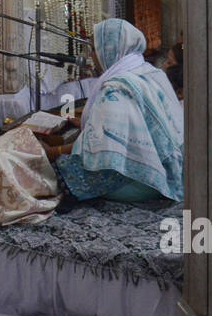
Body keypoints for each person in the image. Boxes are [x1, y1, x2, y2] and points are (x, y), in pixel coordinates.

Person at [43, 18, 183, 203]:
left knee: (60, 170)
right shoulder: (150, 72)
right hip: (168, 170)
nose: (92, 56)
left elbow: (101, 147)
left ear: (110, 50)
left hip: (142, 182)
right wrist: (92, 123)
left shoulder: (116, 88)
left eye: (94, 49)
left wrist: (52, 152)